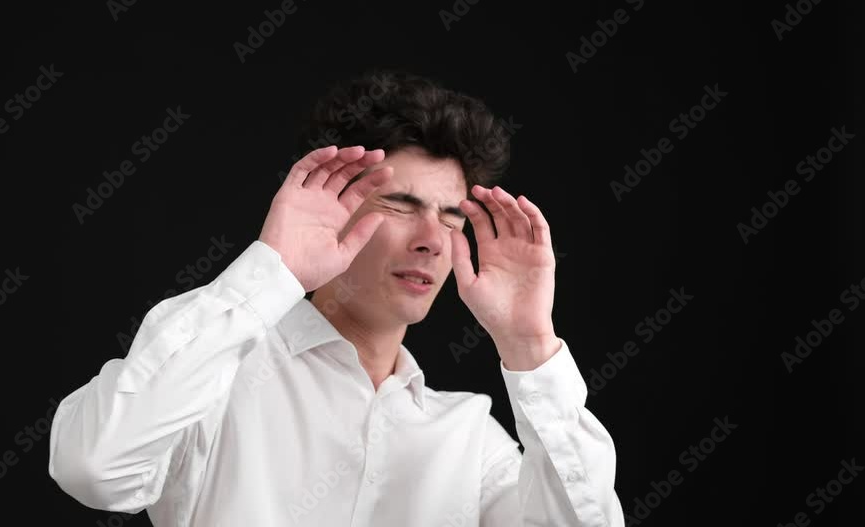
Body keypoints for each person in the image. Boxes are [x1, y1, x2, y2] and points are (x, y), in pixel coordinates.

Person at [48, 70, 624, 526]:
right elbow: (94, 468)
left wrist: (530, 346)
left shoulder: (468, 440)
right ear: (334, 207)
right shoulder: (221, 376)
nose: (431, 241)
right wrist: (273, 271)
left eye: (450, 216)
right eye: (401, 205)